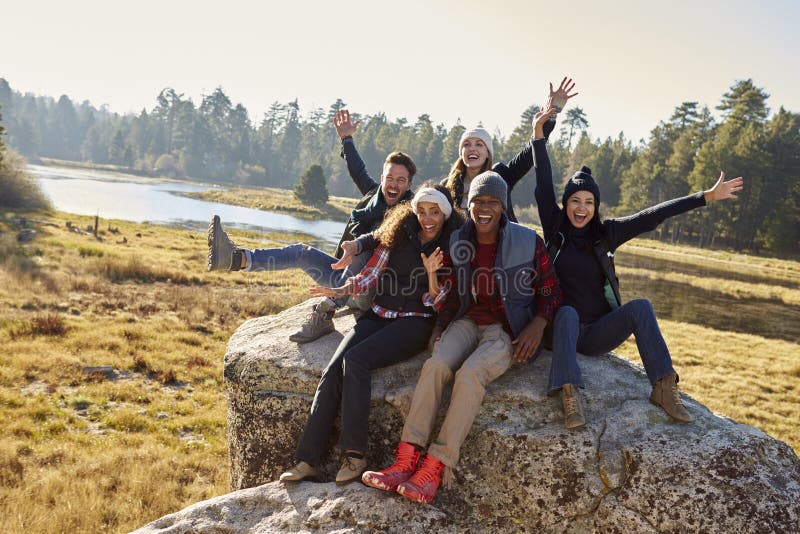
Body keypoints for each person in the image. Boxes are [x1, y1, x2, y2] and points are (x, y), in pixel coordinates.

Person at [530, 102, 744, 429]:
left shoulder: (607, 234)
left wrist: (705, 197)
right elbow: (543, 181)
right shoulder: (555, 229)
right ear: (566, 204)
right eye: (575, 200)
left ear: (596, 206)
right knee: (569, 312)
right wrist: (537, 134)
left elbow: (652, 215)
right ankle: (569, 392)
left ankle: (663, 386)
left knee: (641, 306)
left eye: (589, 202)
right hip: (561, 329)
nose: (581, 208)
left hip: (597, 334)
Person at [361, 172, 562, 504]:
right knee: (436, 365)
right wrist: (439, 329)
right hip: (467, 321)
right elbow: (453, 296)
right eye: (477, 202)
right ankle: (404, 460)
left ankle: (433, 469)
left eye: (492, 202)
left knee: (470, 375)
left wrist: (537, 325)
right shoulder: (458, 242)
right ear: (468, 207)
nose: (484, 209)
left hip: (506, 330)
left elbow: (552, 291)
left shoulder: (528, 241)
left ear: (503, 206)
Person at [278, 183, 464, 485]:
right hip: (379, 313)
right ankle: (307, 459)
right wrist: (343, 289)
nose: (427, 218)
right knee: (332, 370)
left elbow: (443, 303)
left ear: (444, 213)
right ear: (413, 212)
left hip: (416, 321)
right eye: (421, 211)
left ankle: (355, 455)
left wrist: (431, 274)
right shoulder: (398, 236)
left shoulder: (453, 246)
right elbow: (371, 275)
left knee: (357, 360)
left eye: (434, 212)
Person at [207, 109, 415, 343]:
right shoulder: (373, 195)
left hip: (369, 291)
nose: (394, 184)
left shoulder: (409, 214)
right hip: (340, 278)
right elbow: (358, 170)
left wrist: (357, 247)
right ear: (383, 177)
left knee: (366, 248)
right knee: (301, 253)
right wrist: (346, 139)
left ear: (409, 185)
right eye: (389, 178)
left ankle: (325, 312)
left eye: (401, 180)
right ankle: (236, 259)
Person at [441, 77, 576, 222]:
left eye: (479, 144)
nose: (472, 148)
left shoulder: (501, 176)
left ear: (488, 153)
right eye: (466, 144)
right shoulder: (447, 186)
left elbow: (530, 152)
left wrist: (551, 114)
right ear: (461, 152)